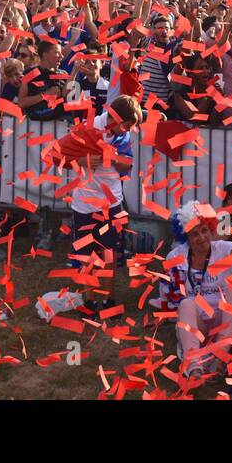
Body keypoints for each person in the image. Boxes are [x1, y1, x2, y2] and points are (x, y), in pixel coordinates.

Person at [44, 95, 143, 307]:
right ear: (114, 119)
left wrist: (114, 158)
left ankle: (109, 300)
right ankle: (89, 301)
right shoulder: (86, 130)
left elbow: (127, 167)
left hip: (111, 204)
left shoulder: (122, 136)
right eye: (126, 125)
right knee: (86, 254)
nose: (127, 130)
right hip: (85, 204)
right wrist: (81, 161)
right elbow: (55, 155)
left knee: (109, 253)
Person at [158, 201, 232, 377]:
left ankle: (220, 356)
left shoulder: (223, 248)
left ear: (212, 230)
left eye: (205, 231)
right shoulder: (176, 257)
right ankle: (193, 367)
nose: (201, 238)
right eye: (194, 234)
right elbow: (168, 297)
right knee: (185, 304)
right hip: (196, 324)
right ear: (186, 237)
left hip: (224, 321)